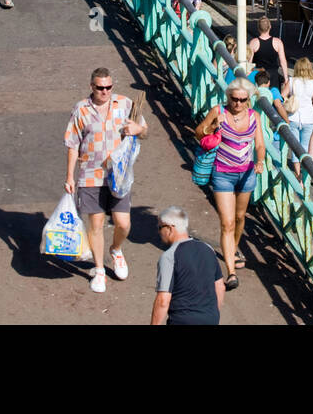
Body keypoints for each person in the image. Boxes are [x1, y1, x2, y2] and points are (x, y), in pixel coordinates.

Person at [64, 67, 148, 294]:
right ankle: (99, 269)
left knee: (123, 223)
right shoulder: (81, 109)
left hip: (118, 176)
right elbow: (72, 144)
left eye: (108, 87)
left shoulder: (125, 103)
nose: (105, 91)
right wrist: (70, 176)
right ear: (92, 87)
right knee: (96, 224)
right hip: (90, 174)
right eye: (100, 88)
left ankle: (116, 249)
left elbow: (144, 130)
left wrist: (137, 128)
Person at [195, 79, 266, 292]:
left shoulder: (255, 116)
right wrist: (211, 127)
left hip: (246, 174)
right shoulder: (218, 111)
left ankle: (233, 249)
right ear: (228, 97)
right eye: (234, 99)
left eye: (243, 100)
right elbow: (199, 132)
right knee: (227, 222)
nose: (238, 104)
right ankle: (231, 272)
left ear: (249, 100)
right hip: (223, 173)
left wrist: (260, 161)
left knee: (239, 217)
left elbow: (260, 144)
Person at [151, 206, 224, 325]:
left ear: (170, 228)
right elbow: (220, 287)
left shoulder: (169, 256)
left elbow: (163, 300)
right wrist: (213, 314)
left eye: (159, 227)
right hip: (210, 319)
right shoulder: (208, 249)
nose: (159, 232)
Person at [274, 57, 313, 158]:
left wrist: (288, 100)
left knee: (295, 147)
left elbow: (282, 96)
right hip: (308, 118)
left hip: (293, 116)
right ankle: (304, 171)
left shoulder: (292, 81)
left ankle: (297, 172)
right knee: (305, 147)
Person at [246, 17, 289, 92]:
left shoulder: (253, 43)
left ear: (258, 28)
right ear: (270, 27)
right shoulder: (277, 42)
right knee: (274, 97)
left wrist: (247, 76)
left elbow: (249, 62)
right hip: (273, 75)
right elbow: (283, 62)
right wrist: (286, 79)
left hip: (259, 76)